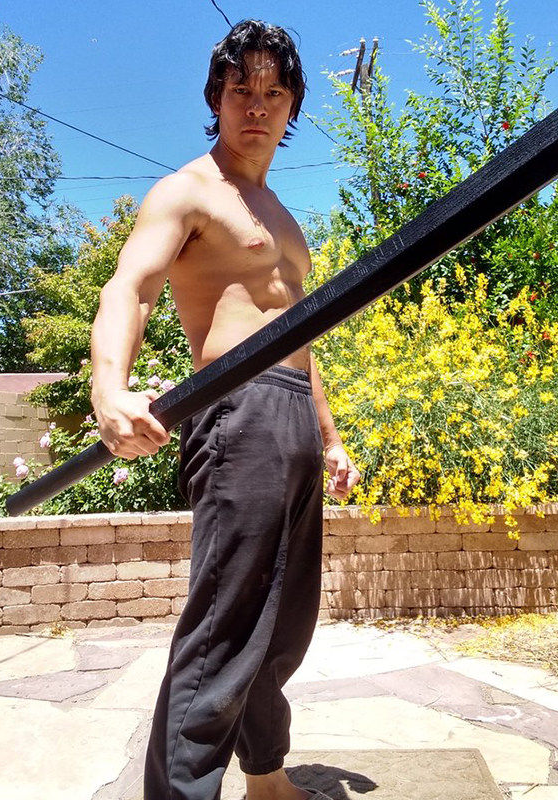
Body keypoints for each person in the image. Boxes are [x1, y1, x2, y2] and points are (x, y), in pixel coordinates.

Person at [90, 19, 360, 800]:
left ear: (293, 104)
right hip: (237, 414)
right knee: (224, 630)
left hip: (292, 417)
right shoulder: (187, 192)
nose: (257, 106)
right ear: (217, 98)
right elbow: (130, 288)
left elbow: (297, 337)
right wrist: (109, 387)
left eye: (273, 92)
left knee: (282, 627)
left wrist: (329, 437)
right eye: (242, 90)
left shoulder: (283, 216)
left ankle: (266, 781)